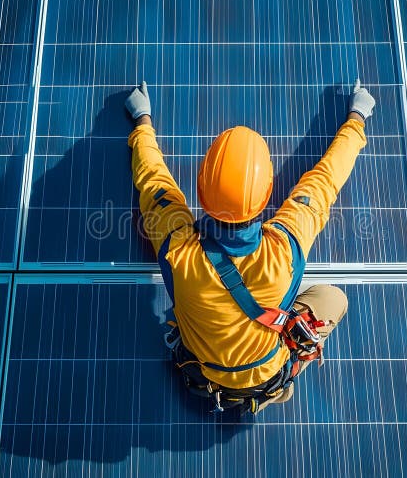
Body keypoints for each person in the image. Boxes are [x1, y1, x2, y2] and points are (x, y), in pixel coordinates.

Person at [125, 80, 374, 413]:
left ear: (200, 186)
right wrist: (357, 116)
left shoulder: (177, 250)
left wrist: (143, 119)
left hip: (200, 374)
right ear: (267, 194)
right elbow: (324, 181)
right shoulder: (286, 248)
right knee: (334, 298)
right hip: (268, 378)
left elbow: (154, 181)